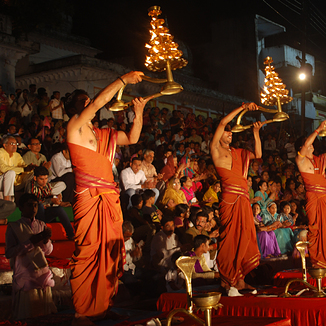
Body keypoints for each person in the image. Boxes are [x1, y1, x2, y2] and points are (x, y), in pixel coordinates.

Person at [66, 71, 151, 325]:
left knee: (110, 250)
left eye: (87, 99)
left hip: (109, 197)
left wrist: (139, 112)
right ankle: (82, 312)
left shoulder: (103, 134)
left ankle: (101, 306)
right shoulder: (74, 127)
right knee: (88, 251)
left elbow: (133, 138)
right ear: (77, 107)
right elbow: (98, 104)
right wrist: (123, 80)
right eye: (83, 100)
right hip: (90, 198)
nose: (88, 101)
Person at [210, 102, 263, 296]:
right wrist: (242, 108)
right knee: (229, 239)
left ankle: (239, 281)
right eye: (227, 132)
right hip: (230, 198)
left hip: (243, 198)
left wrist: (256, 132)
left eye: (232, 133)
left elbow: (258, 154)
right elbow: (224, 121)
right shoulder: (215, 148)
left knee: (244, 237)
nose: (230, 134)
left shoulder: (239, 153)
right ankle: (226, 281)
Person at [5, 193, 57, 320]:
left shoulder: (41, 225)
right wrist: (30, 243)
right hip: (25, 276)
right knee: (28, 316)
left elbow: (48, 251)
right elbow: (9, 253)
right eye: (29, 205)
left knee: (45, 316)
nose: (33, 208)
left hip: (42, 273)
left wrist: (45, 240)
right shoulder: (14, 227)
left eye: (35, 205)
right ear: (21, 208)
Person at [295, 122, 326, 268]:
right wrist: (318, 130)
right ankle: (317, 261)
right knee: (315, 228)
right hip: (313, 198)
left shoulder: (320, 160)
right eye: (309, 145)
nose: (312, 146)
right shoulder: (301, 160)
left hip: (324, 198)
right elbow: (307, 143)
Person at [25, 166, 74, 240]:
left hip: (44, 213)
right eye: (41, 179)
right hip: (33, 215)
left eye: (46, 178)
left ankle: (71, 234)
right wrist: (50, 200)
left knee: (59, 209)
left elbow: (52, 194)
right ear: (35, 178)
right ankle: (42, 235)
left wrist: (58, 200)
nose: (44, 181)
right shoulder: (31, 186)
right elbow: (34, 203)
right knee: (40, 206)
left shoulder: (46, 185)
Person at [0, 135, 35, 201]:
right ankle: (7, 199)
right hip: (1, 181)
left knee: (32, 174)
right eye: (12, 144)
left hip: (16, 182)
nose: (15, 146)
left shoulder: (17, 155)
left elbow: (23, 166)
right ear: (5, 145)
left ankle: (28, 199)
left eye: (16, 144)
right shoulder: (0, 152)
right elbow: (3, 168)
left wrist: (30, 168)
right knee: (10, 173)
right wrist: (23, 169)